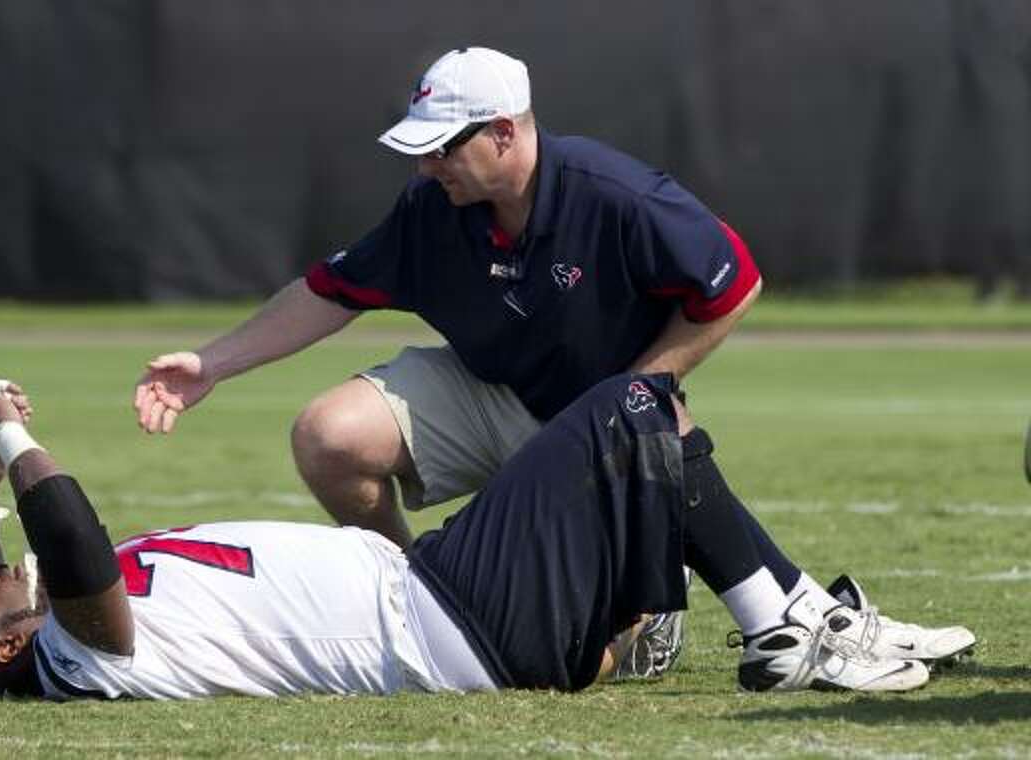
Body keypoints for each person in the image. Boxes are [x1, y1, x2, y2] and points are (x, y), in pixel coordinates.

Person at [131, 47, 973, 680]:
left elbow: (735, 280)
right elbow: (330, 290)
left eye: (444, 146)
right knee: (327, 435)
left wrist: (645, 385)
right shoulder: (435, 206)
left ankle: (765, 621)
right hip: (487, 392)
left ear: (504, 133)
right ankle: (417, 598)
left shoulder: (617, 194)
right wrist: (212, 363)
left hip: (598, 427)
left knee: (653, 427)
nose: (426, 165)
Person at [0, 378, 939, 699]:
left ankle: (664, 626)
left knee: (665, 443)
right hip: (441, 617)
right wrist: (10, 438)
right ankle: (782, 632)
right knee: (634, 402)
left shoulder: (24, 628)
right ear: (11, 642)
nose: (2, 567)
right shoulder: (75, 647)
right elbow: (73, 535)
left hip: (435, 591)